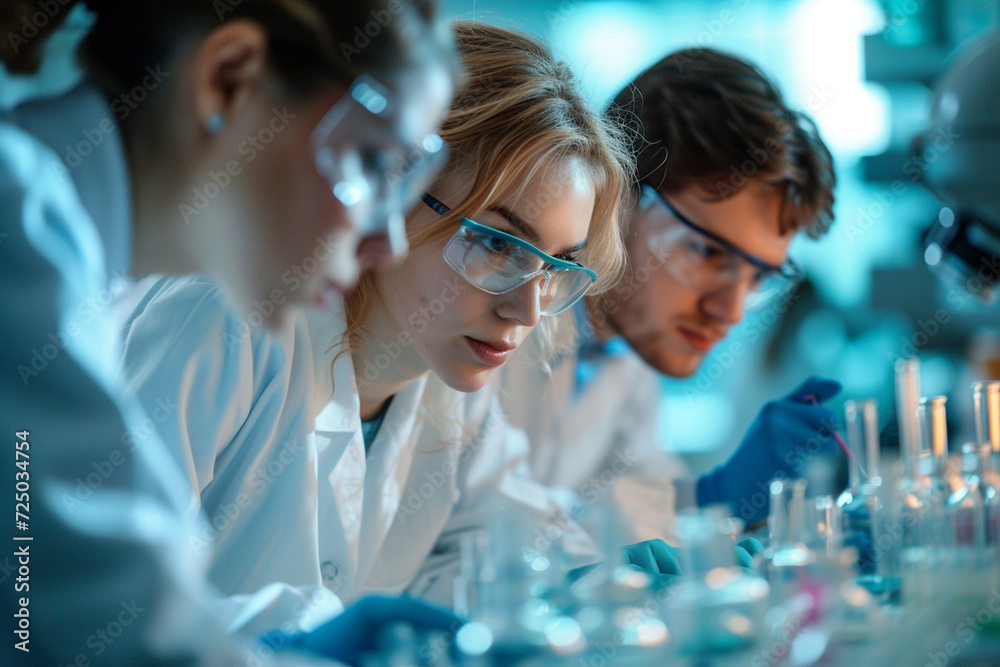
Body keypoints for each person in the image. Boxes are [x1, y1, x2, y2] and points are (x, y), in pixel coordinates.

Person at [117, 19, 635, 629]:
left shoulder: (449, 372)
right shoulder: (226, 316)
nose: (525, 310)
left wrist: (592, 579)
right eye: (499, 246)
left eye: (556, 266)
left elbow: (500, 545)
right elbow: (98, 596)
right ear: (392, 186)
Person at [0, 0, 458, 664]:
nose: (387, 241)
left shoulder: (80, 256)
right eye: (371, 163)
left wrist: (277, 639)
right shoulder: (17, 210)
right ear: (229, 76)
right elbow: (96, 619)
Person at [495, 47, 841, 543]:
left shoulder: (627, 353)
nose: (730, 310)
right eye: (706, 252)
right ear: (616, 194)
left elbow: (632, 504)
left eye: (758, 277)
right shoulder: (497, 316)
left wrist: (720, 505)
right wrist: (714, 498)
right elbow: (482, 521)